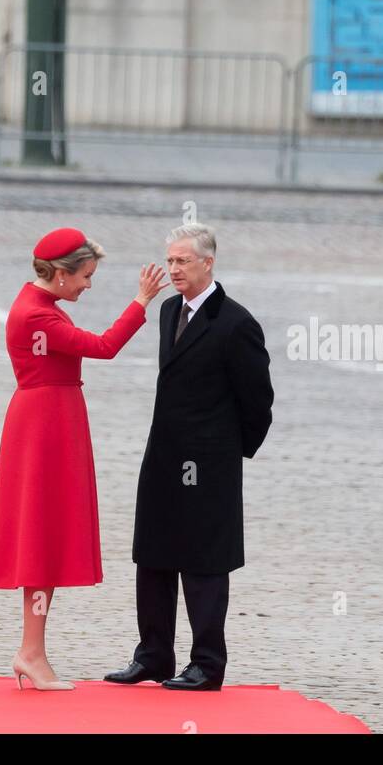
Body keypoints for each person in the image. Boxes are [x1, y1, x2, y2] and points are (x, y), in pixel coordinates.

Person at [0, 227, 168, 691]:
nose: (88, 285)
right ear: (61, 274)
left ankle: (33, 651)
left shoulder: (40, 308)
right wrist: (141, 301)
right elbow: (104, 347)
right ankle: (31, 651)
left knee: (44, 539)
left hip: (51, 421)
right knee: (41, 540)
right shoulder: (38, 318)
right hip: (45, 427)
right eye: (85, 276)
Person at [105, 223, 273, 692]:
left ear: (207, 263)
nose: (173, 269)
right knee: (154, 556)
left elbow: (257, 401)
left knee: (203, 563)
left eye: (182, 261)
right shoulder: (168, 311)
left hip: (209, 464)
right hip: (163, 454)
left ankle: (207, 665)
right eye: (170, 260)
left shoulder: (237, 323)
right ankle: (154, 655)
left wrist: (227, 454)